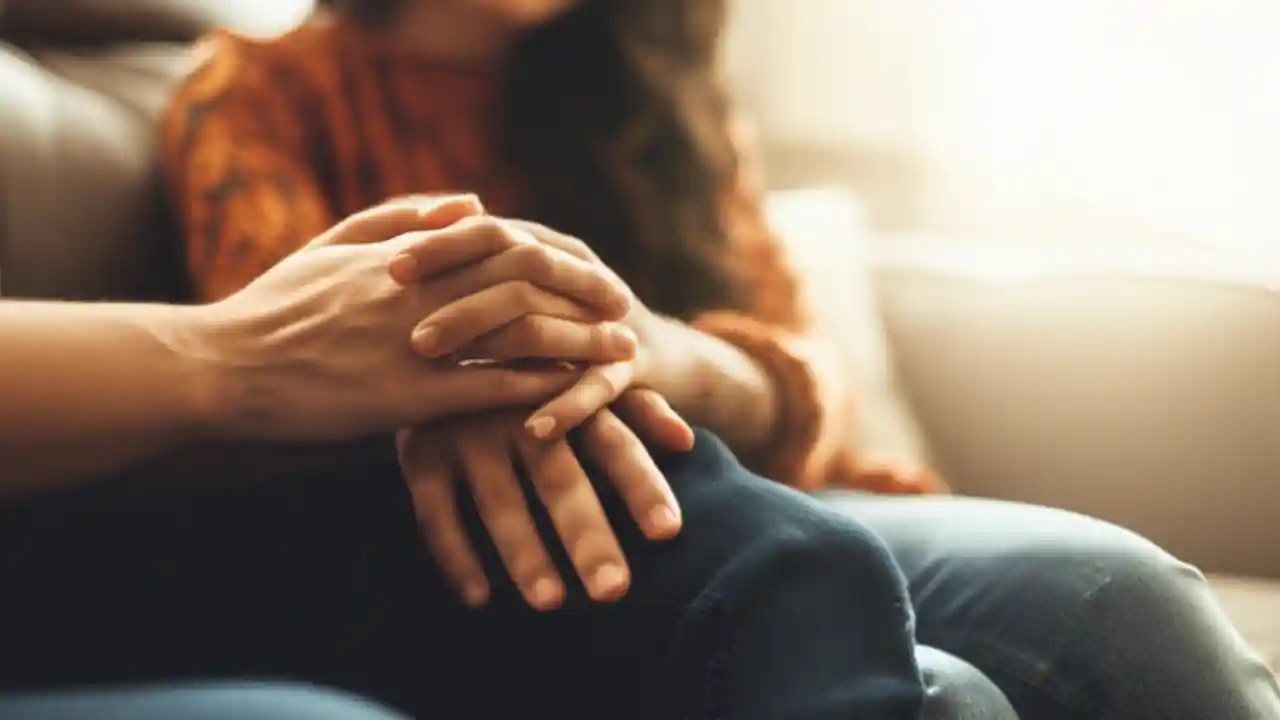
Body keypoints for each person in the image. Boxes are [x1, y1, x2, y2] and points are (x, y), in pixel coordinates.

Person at [153, 1, 1280, 718]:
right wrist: (502, 374)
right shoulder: (256, 91)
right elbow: (298, 378)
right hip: (538, 552)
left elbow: (807, 373)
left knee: (1119, 597)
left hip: (776, 495)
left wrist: (663, 351)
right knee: (950, 692)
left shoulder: (654, 92)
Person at [0, 196, 1015, 719]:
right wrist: (466, 369)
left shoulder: (665, 110)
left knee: (810, 571)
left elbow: (803, 371)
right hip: (340, 460)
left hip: (703, 451)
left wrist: (636, 350)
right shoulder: (271, 96)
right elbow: (334, 353)